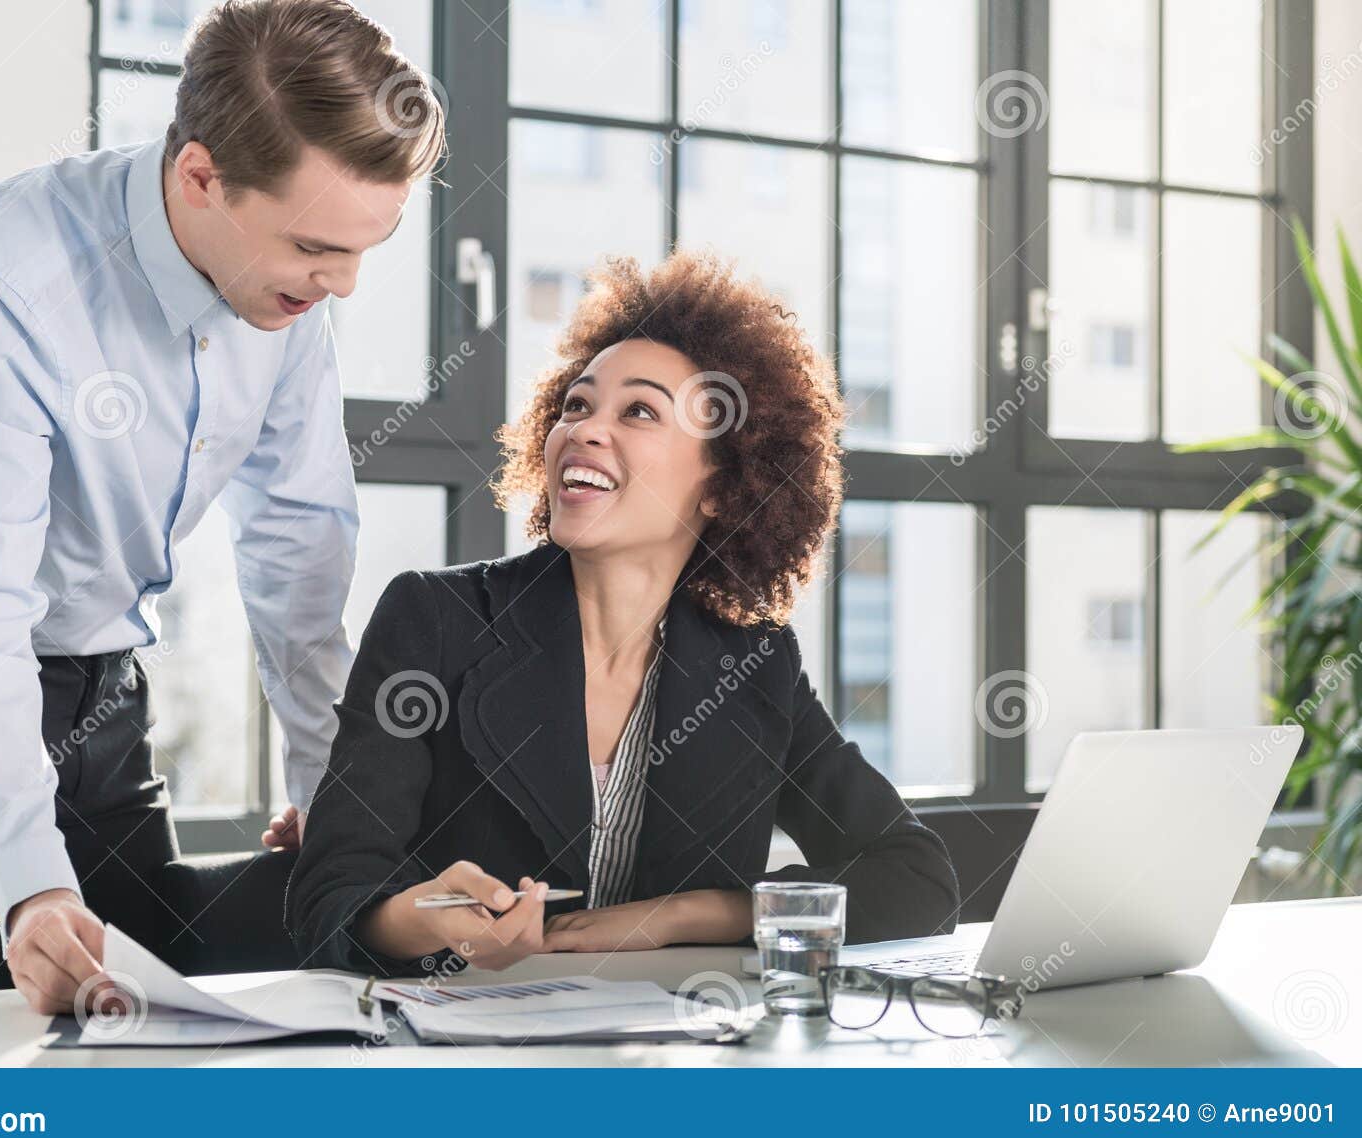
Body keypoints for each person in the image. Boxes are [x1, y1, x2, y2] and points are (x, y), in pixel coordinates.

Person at [0, 0, 444, 1014]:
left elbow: (298, 558)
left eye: (369, 249)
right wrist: (31, 888)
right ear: (200, 176)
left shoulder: (292, 288)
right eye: (319, 247)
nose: (346, 286)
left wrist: (335, 796)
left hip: (102, 678)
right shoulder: (8, 272)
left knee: (146, 1001)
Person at [286, 250, 960, 975]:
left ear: (724, 487)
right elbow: (328, 900)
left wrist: (693, 915)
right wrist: (433, 919)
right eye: (576, 405)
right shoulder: (437, 619)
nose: (584, 430)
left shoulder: (755, 666)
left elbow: (917, 879)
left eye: (638, 410)